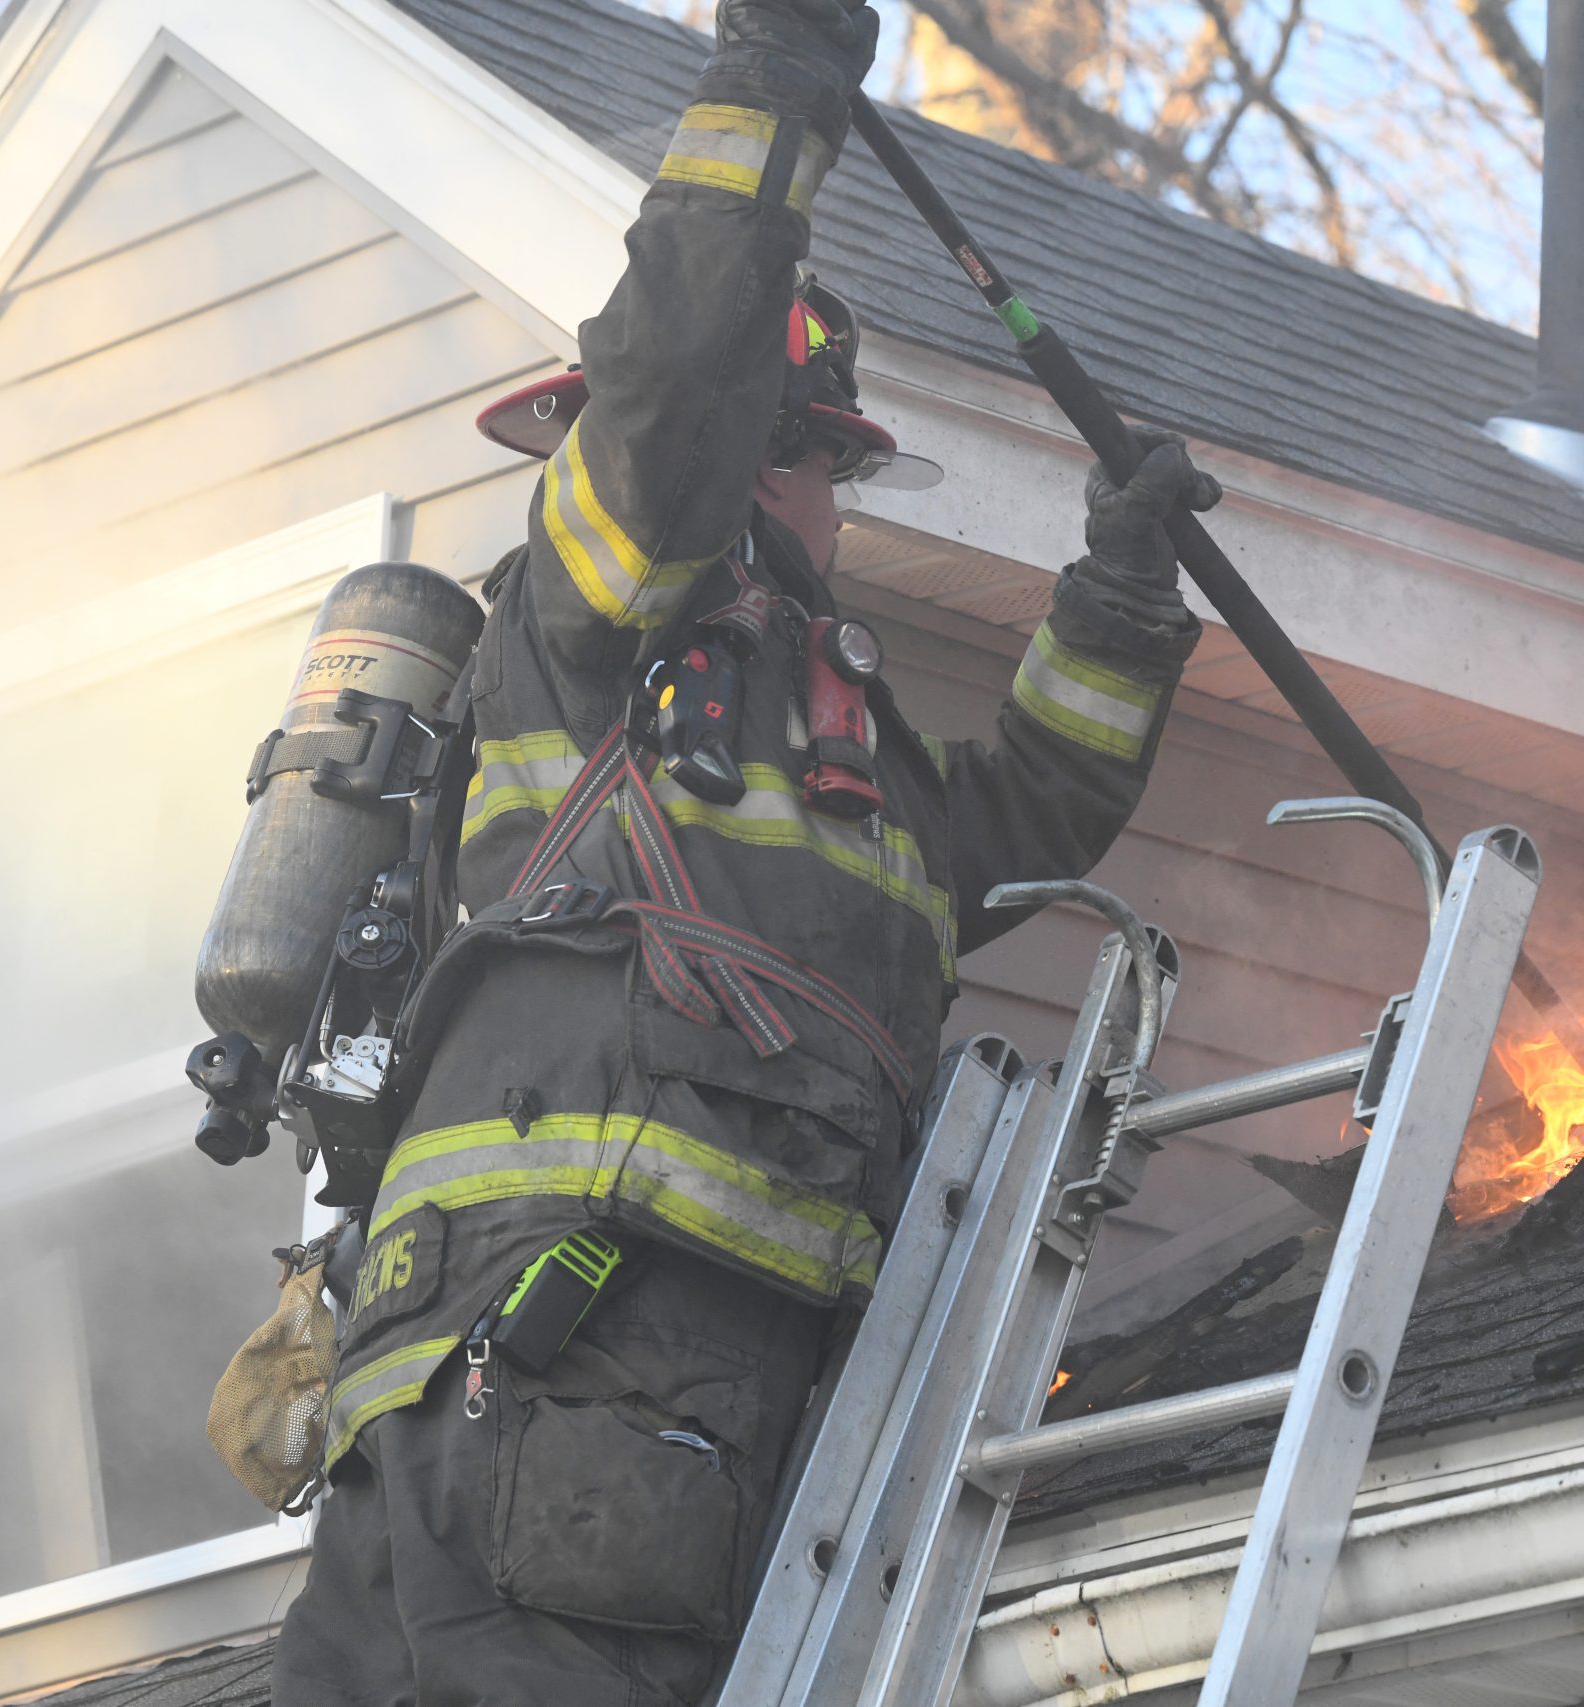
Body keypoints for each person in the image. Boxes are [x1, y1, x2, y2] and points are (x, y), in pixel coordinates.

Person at [266, 0, 1214, 1701]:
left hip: (625, 1355)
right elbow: (676, 374)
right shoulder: (596, 617)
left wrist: (1124, 598)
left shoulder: (838, 759)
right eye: (826, 462)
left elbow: (1024, 819)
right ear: (766, 456)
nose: (839, 507)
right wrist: (770, 90)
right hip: (582, 1328)